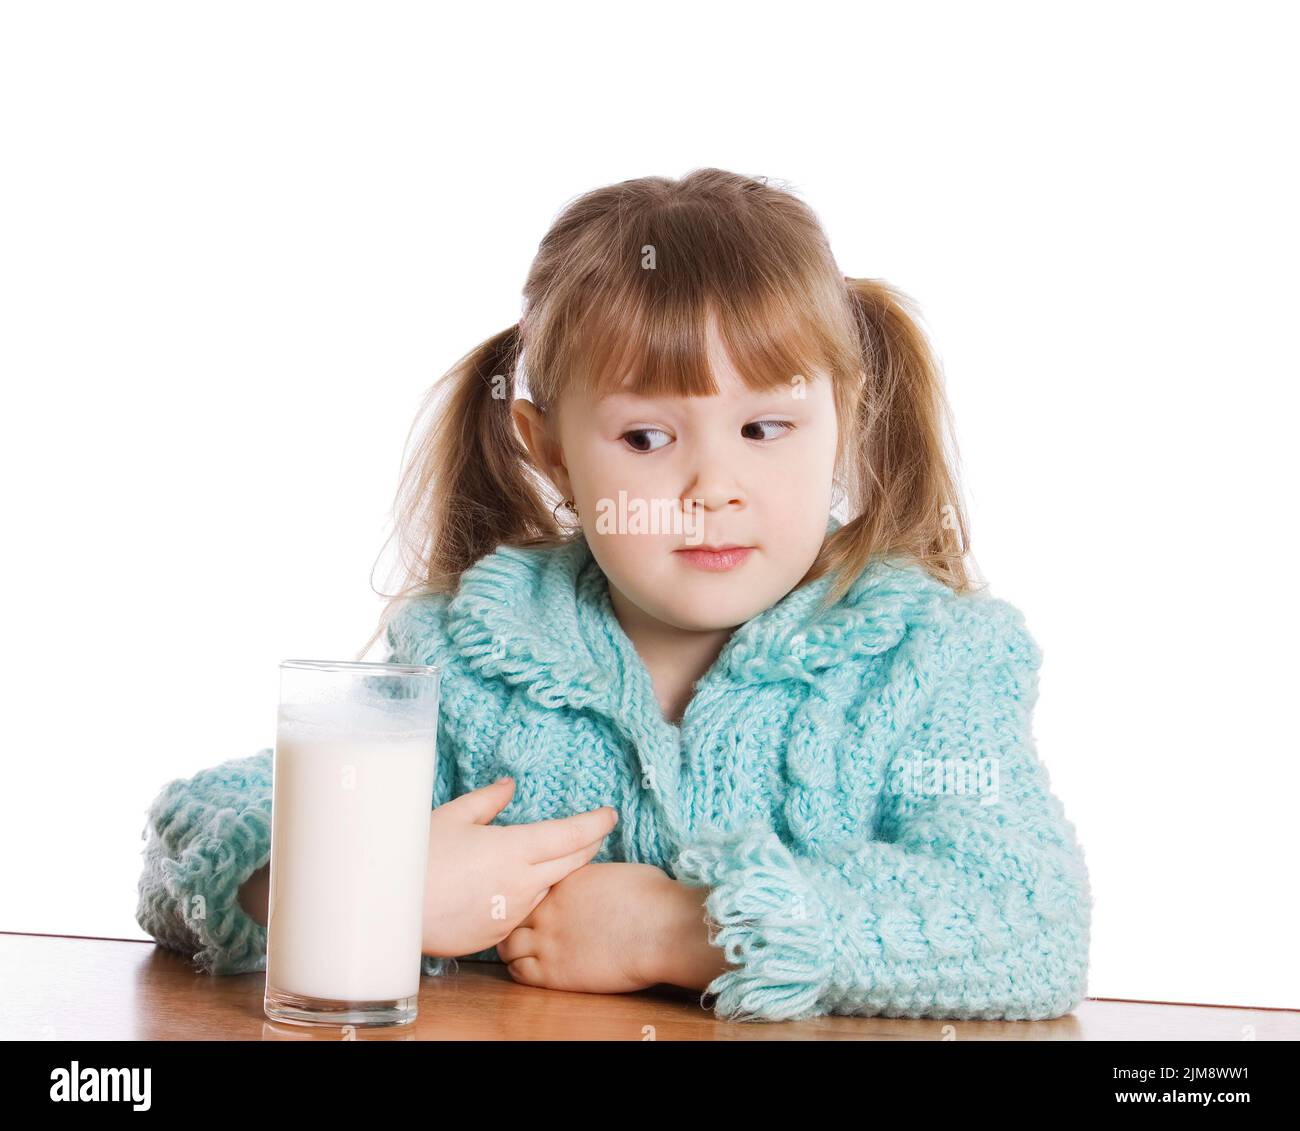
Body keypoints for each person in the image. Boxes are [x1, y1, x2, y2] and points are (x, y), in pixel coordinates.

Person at [136, 167, 1092, 1023]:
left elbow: (1029, 917)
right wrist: (364, 883)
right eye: (646, 438)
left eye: (766, 427)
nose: (714, 486)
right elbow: (201, 835)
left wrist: (686, 931)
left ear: (845, 417)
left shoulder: (926, 661)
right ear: (548, 446)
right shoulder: (475, 658)